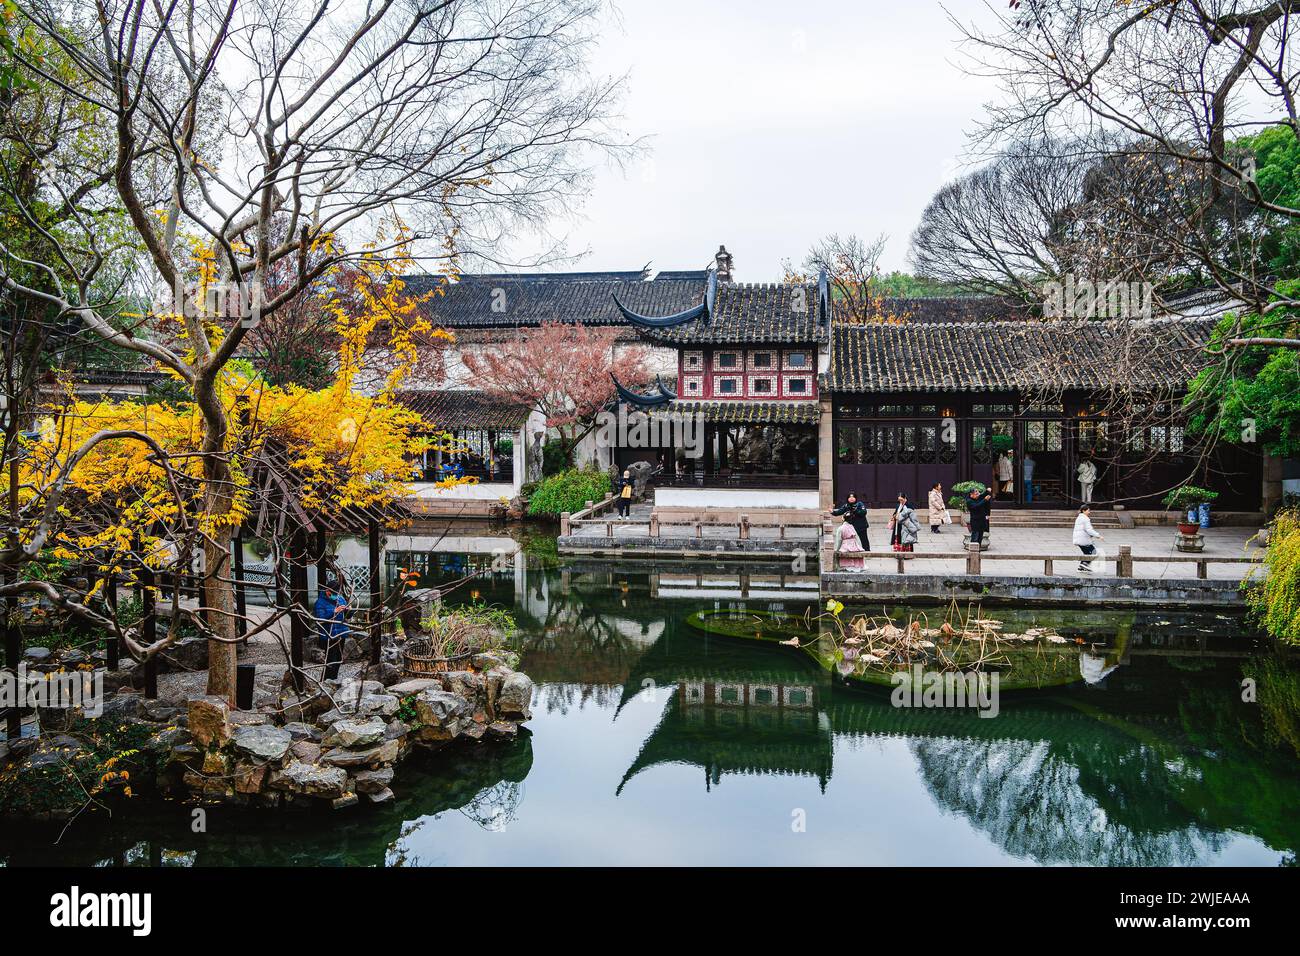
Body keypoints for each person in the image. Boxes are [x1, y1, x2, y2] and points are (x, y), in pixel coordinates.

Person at [313, 585, 350, 680]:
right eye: (334, 593)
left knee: (338, 659)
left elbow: (346, 616)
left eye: (337, 593)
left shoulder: (340, 599)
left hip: (341, 633)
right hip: (329, 635)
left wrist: (349, 611)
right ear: (327, 591)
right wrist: (334, 611)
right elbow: (320, 620)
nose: (336, 596)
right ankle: (325, 680)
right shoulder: (320, 603)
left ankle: (334, 680)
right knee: (331, 660)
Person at [1073, 504, 1103, 572]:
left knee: (1087, 554)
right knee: (1094, 553)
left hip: (1080, 539)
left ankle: (1081, 568)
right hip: (1084, 540)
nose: (1089, 512)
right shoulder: (1085, 519)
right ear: (1084, 511)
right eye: (1088, 511)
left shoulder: (1079, 518)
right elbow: (1089, 530)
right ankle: (1084, 565)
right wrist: (1098, 536)